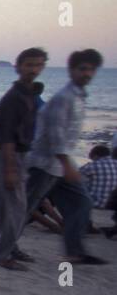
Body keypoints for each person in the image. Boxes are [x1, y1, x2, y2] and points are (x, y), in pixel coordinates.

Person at [24, 49, 108, 266]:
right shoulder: (64, 98)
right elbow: (56, 133)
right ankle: (5, 246)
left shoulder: (79, 97)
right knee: (23, 206)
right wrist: (66, 163)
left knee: (82, 203)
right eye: (83, 69)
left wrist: (66, 164)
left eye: (91, 69)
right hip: (46, 163)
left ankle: (75, 251)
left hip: (61, 166)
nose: (87, 73)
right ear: (72, 70)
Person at [0, 47, 49, 270]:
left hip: (21, 155)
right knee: (15, 208)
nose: (33, 69)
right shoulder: (13, 99)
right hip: (8, 155)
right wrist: (11, 169)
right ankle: (3, 255)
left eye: (38, 65)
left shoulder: (30, 94)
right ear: (18, 67)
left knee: (3, 203)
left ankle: (8, 247)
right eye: (28, 64)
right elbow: (6, 136)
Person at [80, 145, 117, 237]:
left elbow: (73, 177)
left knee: (74, 192)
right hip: (113, 203)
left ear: (95, 156)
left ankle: (85, 224)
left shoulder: (93, 165)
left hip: (97, 202)